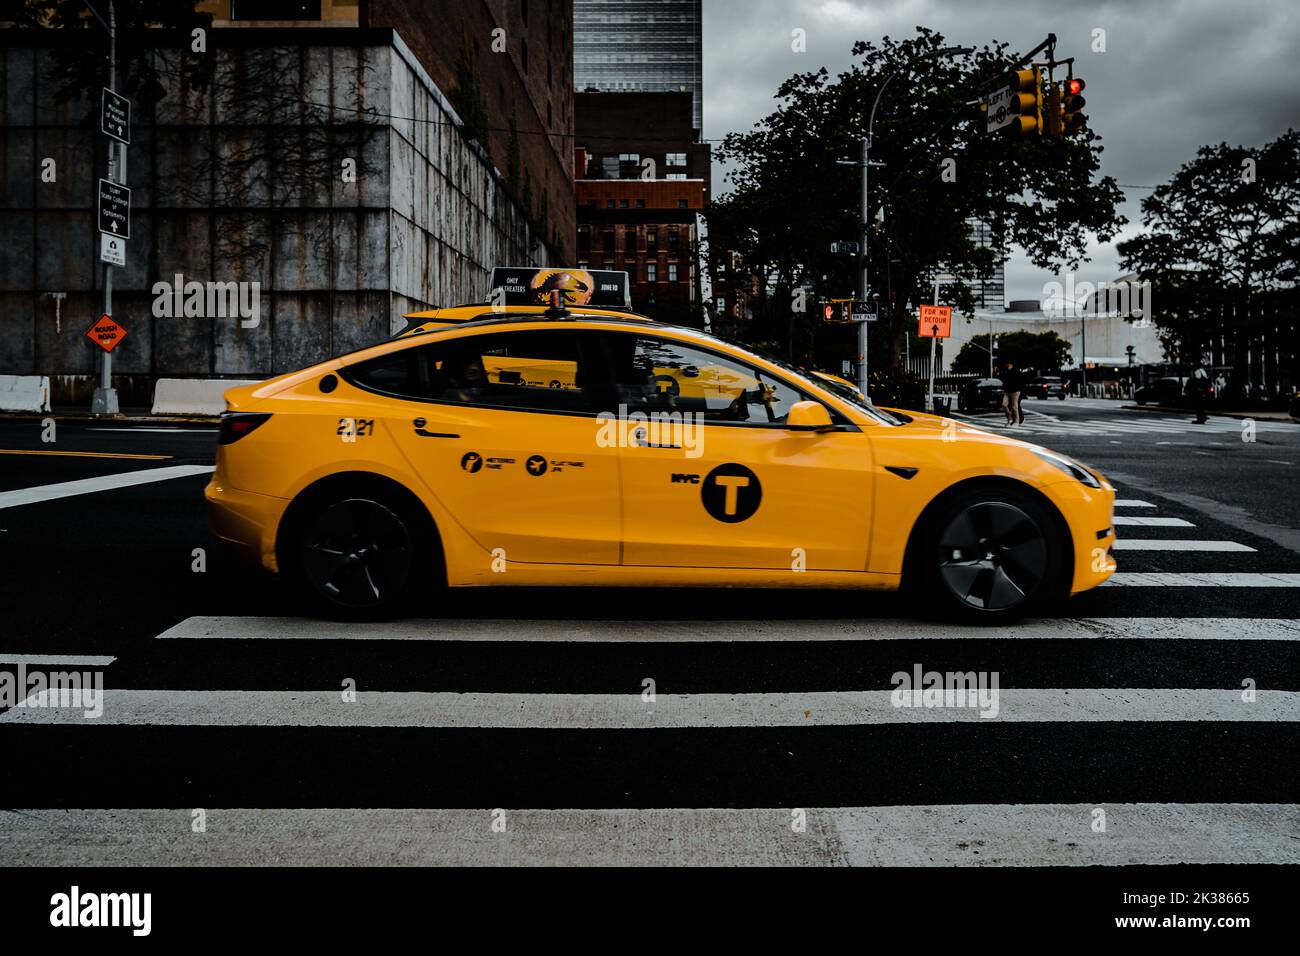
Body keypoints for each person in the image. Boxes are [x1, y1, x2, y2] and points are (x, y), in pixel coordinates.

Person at [1000, 360, 1025, 426]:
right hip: (1007, 391)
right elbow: (1004, 381)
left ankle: (1016, 421)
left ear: (1010, 364)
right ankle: (1010, 419)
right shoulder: (1006, 371)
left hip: (1015, 391)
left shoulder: (1016, 371)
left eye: (1006, 363)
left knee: (1014, 407)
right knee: (1004, 405)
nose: (1005, 364)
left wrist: (1019, 390)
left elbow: (1020, 381)